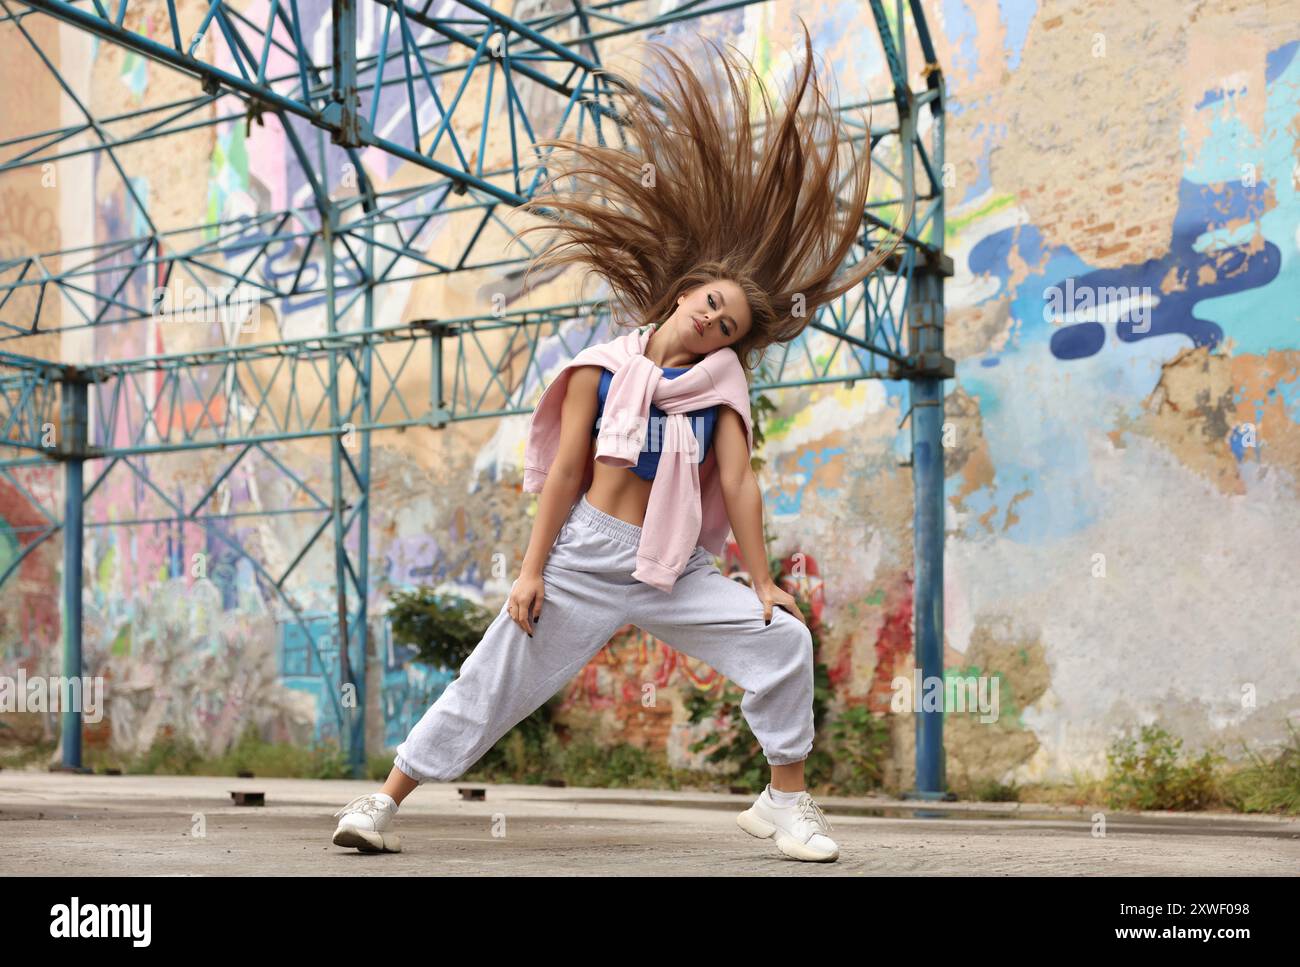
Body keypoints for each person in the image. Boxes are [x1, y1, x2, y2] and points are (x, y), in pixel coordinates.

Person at [331, 20, 910, 864]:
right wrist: (531, 571)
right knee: (490, 680)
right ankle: (381, 803)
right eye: (711, 303)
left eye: (731, 327)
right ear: (683, 295)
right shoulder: (600, 370)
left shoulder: (721, 388)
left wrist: (760, 580)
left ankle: (785, 803)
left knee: (783, 640)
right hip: (586, 556)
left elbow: (740, 484)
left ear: (728, 346)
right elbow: (565, 472)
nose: (715, 321)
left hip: (675, 564)